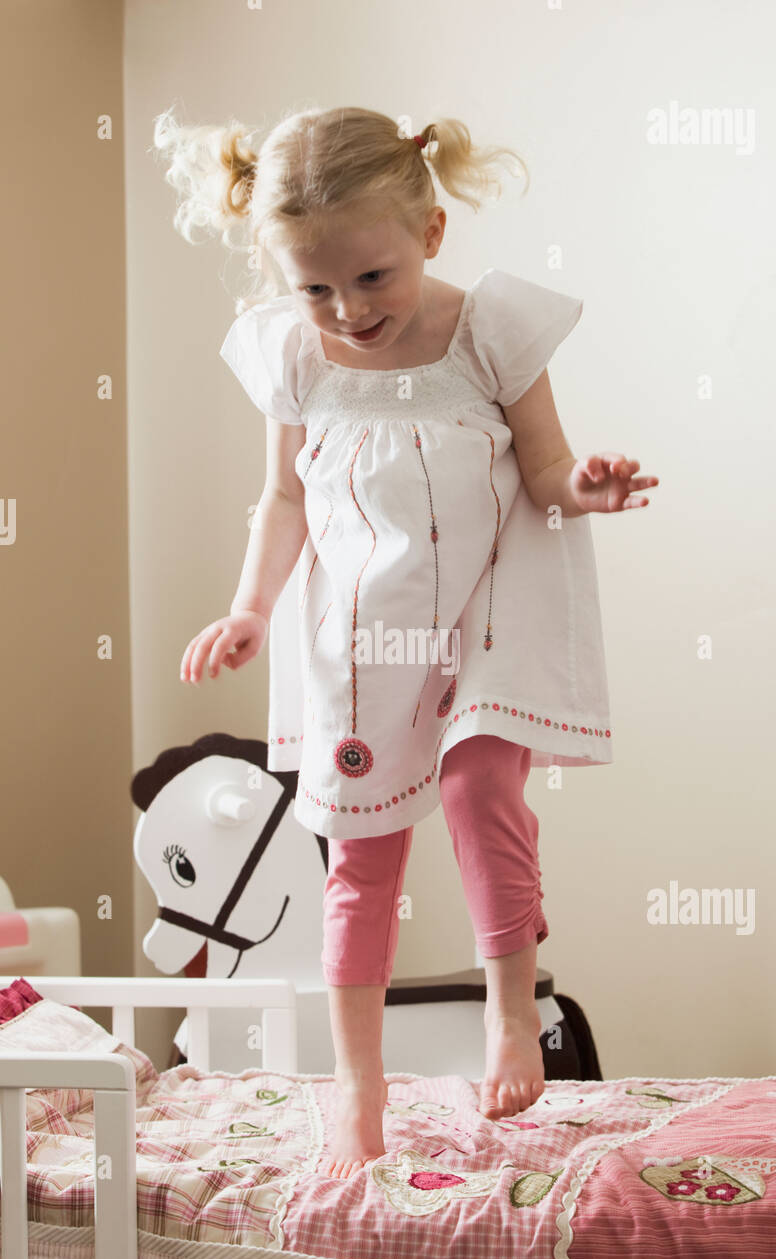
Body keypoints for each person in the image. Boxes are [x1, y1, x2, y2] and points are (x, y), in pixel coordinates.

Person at [154, 105, 659, 1179]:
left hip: (483, 620)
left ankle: (513, 1014)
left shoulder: (490, 334)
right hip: (359, 635)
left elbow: (542, 471)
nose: (348, 309)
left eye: (371, 278)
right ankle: (358, 1086)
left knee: (481, 792)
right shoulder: (297, 358)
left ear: (430, 232)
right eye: (317, 287)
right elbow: (282, 498)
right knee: (360, 861)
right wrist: (250, 607)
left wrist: (590, 489)